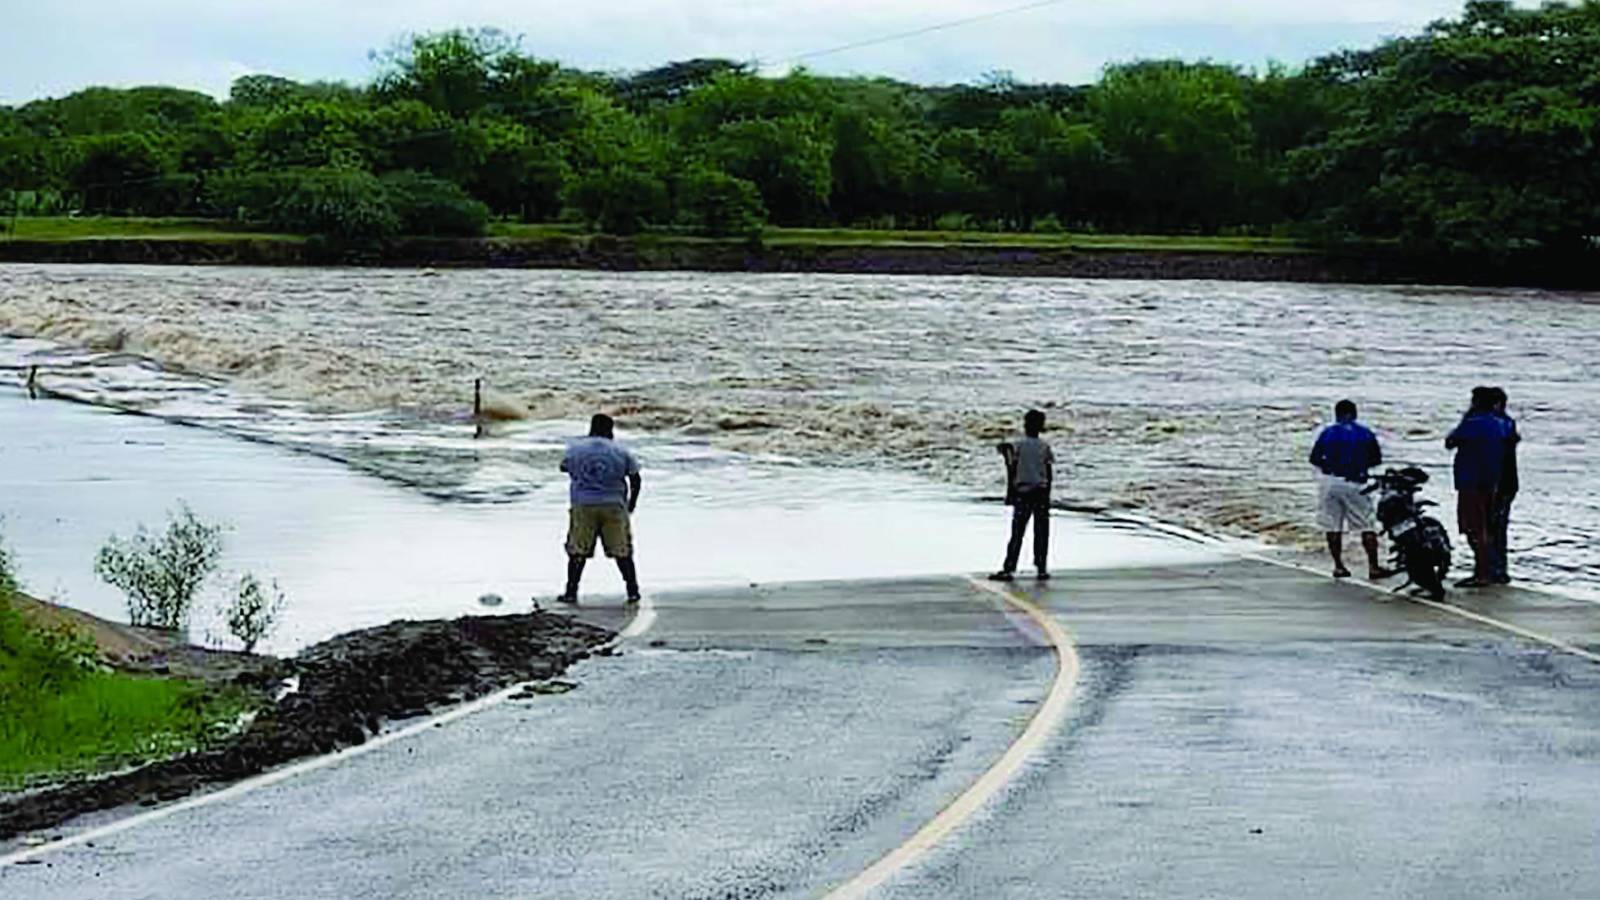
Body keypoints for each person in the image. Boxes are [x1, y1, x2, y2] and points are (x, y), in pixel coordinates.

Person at [558, 414, 642, 604]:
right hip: (614, 505)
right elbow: (635, 478)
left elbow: (564, 467)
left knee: (578, 551)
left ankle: (571, 592)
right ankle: (632, 591)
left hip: (583, 504)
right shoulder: (621, 451)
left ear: (591, 428)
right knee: (622, 550)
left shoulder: (575, 449)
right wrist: (632, 502)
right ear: (610, 430)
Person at [1309, 400, 1394, 580]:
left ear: (1337, 414)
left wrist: (1329, 466)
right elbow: (1376, 460)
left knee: (1333, 525)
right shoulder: (1365, 433)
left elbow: (1315, 458)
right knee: (1366, 525)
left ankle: (1339, 566)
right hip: (1356, 482)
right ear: (1354, 414)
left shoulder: (1327, 432)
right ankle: (1373, 567)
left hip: (1330, 482)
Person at [1445, 387, 1512, 588]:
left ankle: (1482, 572)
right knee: (1488, 527)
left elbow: (1450, 442)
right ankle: (1491, 569)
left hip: (1470, 480)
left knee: (1474, 528)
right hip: (1492, 481)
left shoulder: (1472, 423)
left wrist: (1465, 420)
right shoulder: (1502, 423)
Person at [989, 409, 1055, 582]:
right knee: (1041, 532)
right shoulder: (1044, 446)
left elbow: (1012, 469)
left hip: (1023, 492)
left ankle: (1009, 568)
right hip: (1041, 492)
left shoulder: (1017, 445)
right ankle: (1041, 568)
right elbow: (1048, 472)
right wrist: (1048, 492)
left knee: (1017, 532)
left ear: (1025, 425)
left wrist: (1010, 492)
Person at [1487, 386, 1521, 584]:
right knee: (1497, 528)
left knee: (1492, 527)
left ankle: (1495, 569)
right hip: (1507, 482)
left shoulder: (1498, 425)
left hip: (1499, 483)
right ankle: (1497, 568)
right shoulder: (1507, 424)